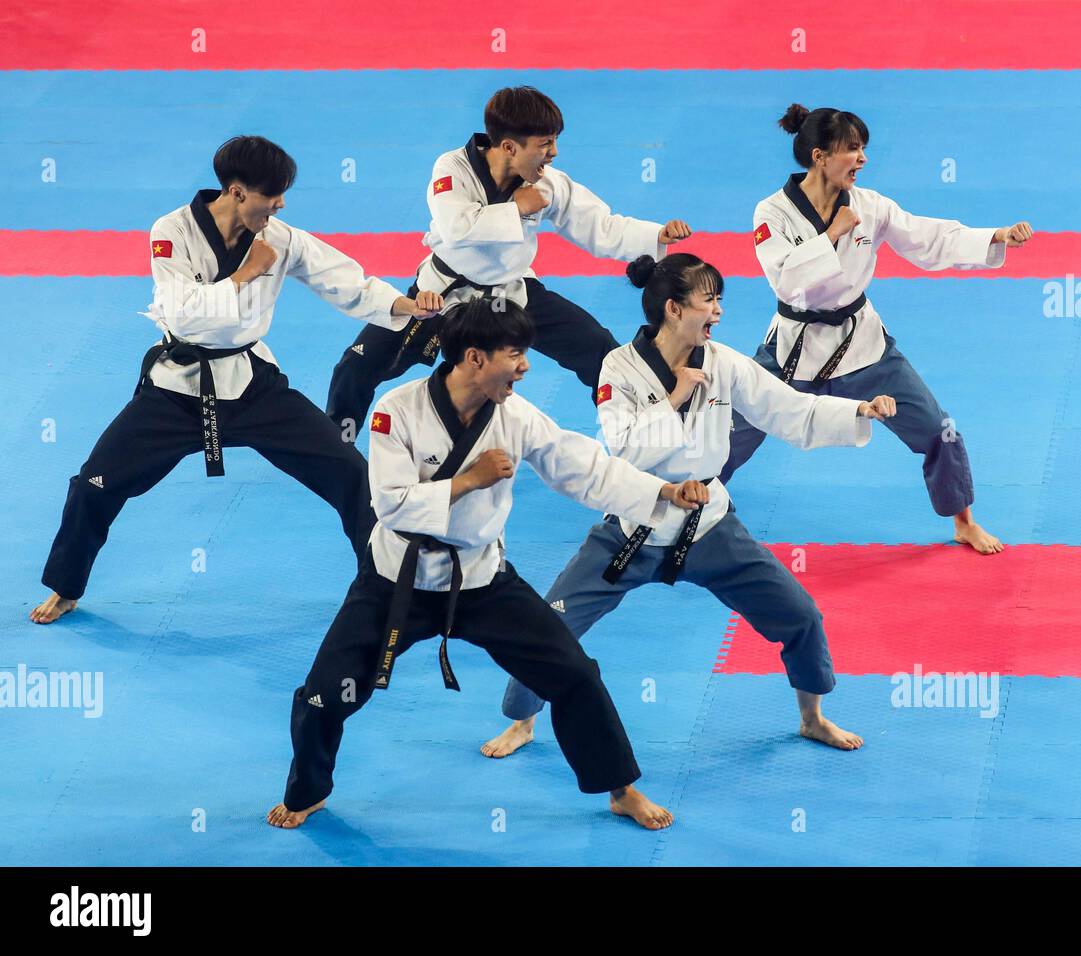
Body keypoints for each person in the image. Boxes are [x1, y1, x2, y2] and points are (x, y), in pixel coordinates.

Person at [268, 299, 706, 831]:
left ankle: (620, 789)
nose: (526, 366)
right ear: (474, 358)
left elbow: (582, 468)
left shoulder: (515, 415)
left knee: (575, 676)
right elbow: (388, 502)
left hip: (481, 581)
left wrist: (660, 489)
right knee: (321, 694)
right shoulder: (396, 410)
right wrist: (467, 481)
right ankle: (309, 790)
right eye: (515, 354)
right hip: (395, 582)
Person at [480, 253, 897, 760]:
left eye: (720, 299)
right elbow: (623, 449)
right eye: (709, 300)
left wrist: (859, 409)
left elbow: (791, 410)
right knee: (549, 626)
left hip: (710, 529)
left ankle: (812, 717)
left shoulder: (722, 363)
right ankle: (522, 722)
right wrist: (671, 398)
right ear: (674, 309)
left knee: (802, 615)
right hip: (634, 528)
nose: (718, 311)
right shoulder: (620, 368)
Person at [30, 135, 440, 625]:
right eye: (273, 194)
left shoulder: (279, 238)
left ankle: (386, 584)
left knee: (351, 474)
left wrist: (402, 305)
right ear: (238, 192)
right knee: (94, 485)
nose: (281, 204)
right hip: (176, 390)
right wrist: (245, 275)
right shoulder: (172, 232)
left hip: (252, 387)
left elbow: (342, 280)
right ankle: (66, 586)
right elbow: (182, 315)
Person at [721, 104, 1035, 554]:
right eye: (852, 149)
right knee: (732, 430)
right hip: (796, 348)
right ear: (819, 156)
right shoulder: (772, 213)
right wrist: (830, 236)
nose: (863, 158)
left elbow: (929, 238)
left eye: (864, 147)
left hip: (862, 344)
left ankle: (963, 521)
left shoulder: (870, 206)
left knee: (939, 429)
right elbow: (786, 279)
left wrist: (994, 237)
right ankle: (685, 505)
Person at [324, 85, 693, 432]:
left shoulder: (547, 182)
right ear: (509, 146)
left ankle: (641, 439)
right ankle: (341, 455)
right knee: (357, 365)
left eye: (555, 142)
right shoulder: (452, 169)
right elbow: (456, 228)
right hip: (442, 296)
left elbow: (598, 225)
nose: (554, 153)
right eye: (545, 143)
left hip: (512, 293)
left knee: (601, 351)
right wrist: (515, 209)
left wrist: (652, 236)